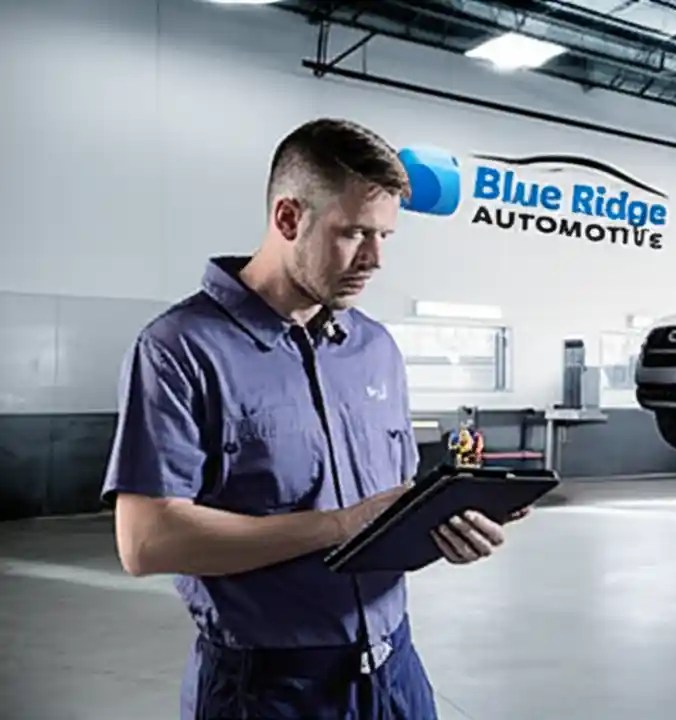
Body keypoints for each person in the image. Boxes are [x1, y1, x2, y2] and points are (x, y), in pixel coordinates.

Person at [101, 118, 520, 719]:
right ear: (288, 218)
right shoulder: (179, 349)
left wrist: (445, 526)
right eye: (354, 233)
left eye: (385, 236)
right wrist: (341, 524)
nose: (375, 259)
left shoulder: (375, 347)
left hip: (396, 672)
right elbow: (145, 541)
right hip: (269, 690)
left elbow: (384, 515)